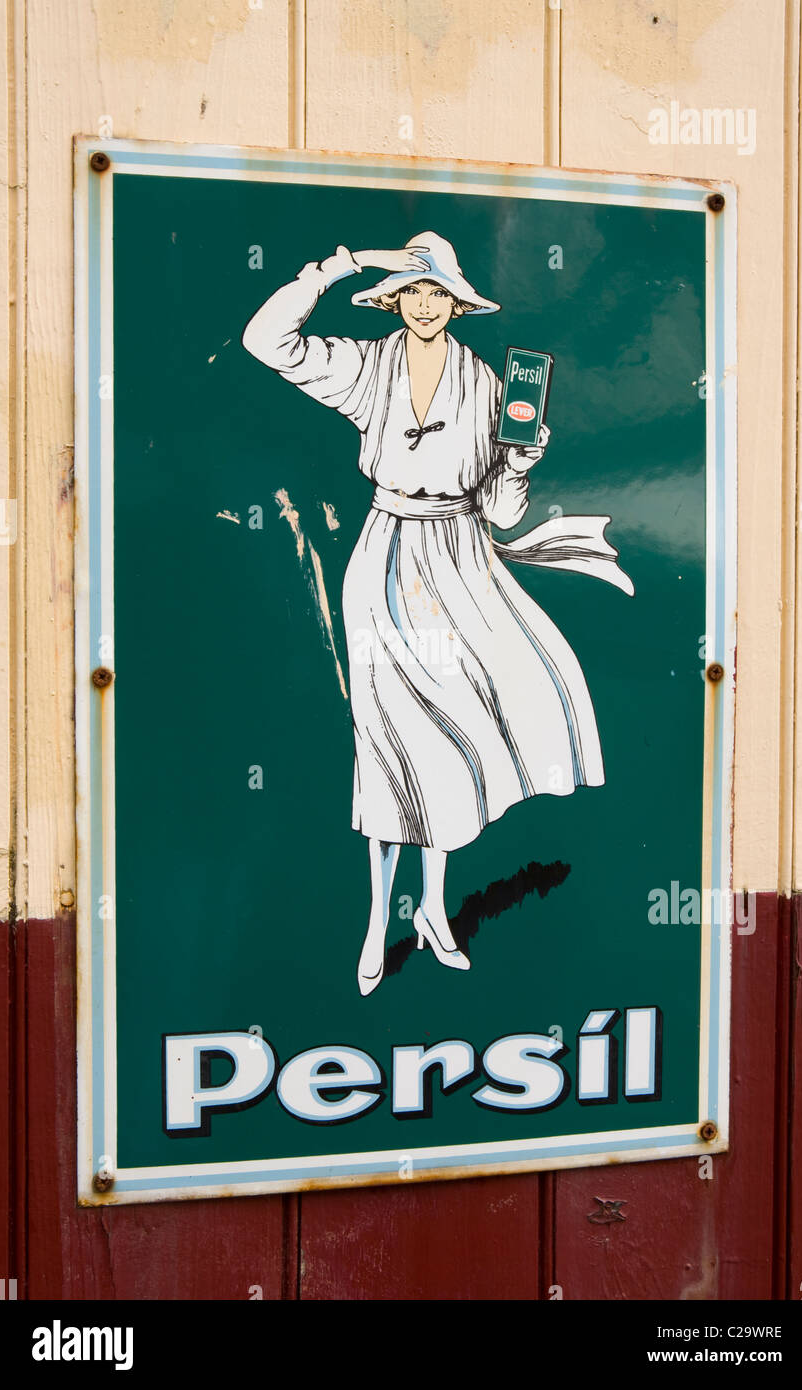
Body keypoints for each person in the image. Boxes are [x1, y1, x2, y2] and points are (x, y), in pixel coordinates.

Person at [242, 232, 633, 996]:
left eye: (437, 293)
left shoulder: (487, 384)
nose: (425, 304)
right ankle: (375, 919)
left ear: (456, 303)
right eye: (412, 292)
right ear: (395, 299)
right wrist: (340, 265)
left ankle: (431, 910)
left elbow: (501, 511)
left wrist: (519, 462)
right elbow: (268, 341)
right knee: (387, 741)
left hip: (460, 557)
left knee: (451, 742)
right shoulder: (365, 365)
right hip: (386, 553)